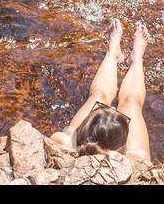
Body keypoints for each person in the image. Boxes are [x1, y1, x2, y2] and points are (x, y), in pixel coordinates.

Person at [49, 19, 152, 163]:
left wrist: (74, 143)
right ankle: (137, 59)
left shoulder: (66, 144)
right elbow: (142, 159)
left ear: (86, 134)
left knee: (99, 95)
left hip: (82, 145)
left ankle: (113, 52)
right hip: (113, 152)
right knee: (132, 101)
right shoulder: (135, 159)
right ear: (123, 147)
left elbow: (57, 138)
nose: (114, 107)